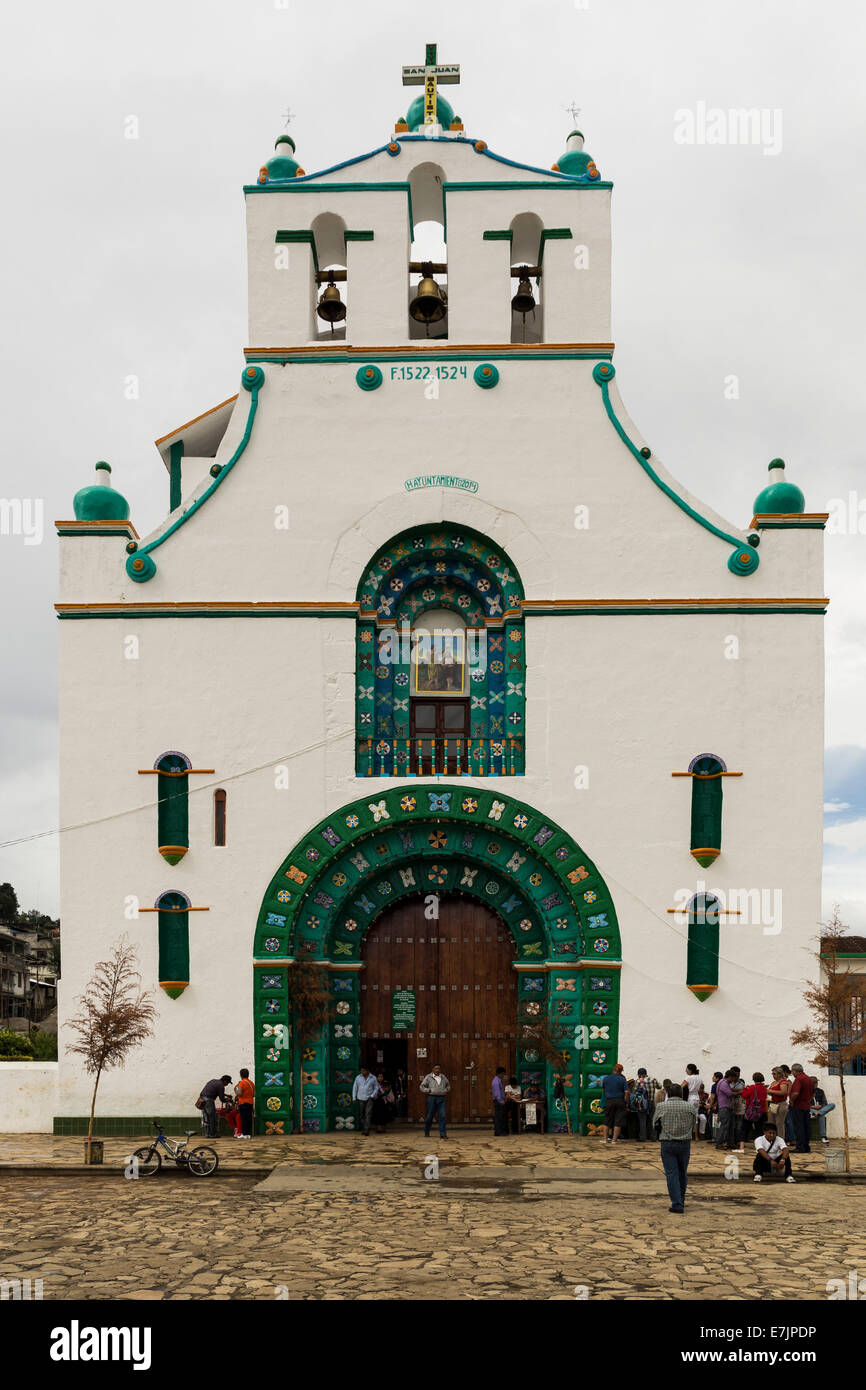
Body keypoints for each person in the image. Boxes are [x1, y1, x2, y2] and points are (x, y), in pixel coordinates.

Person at [653, 1082, 695, 1213]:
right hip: (685, 1143)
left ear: (668, 1093)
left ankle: (677, 1203)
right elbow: (694, 1124)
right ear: (681, 1094)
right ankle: (681, 1199)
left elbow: (654, 1124)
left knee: (672, 1173)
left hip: (667, 1142)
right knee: (682, 1173)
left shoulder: (661, 1106)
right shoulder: (690, 1107)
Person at [788, 1064, 815, 1153]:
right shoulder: (809, 1079)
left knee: (799, 1127)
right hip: (806, 1106)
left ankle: (800, 1146)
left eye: (792, 1072)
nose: (792, 1073)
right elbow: (813, 1093)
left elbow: (795, 1093)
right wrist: (808, 1100)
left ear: (795, 1071)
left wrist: (791, 1101)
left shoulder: (799, 1079)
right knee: (806, 1126)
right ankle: (806, 1146)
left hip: (798, 1105)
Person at [420, 1064, 450, 1139]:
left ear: (440, 1070)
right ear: (433, 1069)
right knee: (429, 1116)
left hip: (441, 1098)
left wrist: (445, 1090)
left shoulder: (443, 1077)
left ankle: (443, 1134)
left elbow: (448, 1086)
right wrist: (428, 1090)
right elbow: (421, 1086)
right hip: (431, 1098)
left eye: (438, 1068)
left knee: (442, 1116)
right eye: (435, 1068)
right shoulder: (428, 1077)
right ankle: (427, 1131)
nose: (437, 1070)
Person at [601, 1063, 629, 1144]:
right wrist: (626, 1102)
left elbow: (603, 1090)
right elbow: (627, 1092)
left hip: (609, 1100)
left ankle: (605, 1139)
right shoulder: (622, 1079)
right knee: (618, 1120)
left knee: (607, 1120)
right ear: (620, 1071)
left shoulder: (606, 1078)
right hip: (620, 1101)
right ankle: (614, 1140)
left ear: (613, 1070)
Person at [199, 1075, 232, 1139]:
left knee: (206, 1117)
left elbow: (216, 1091)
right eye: (227, 1083)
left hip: (202, 1098)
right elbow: (222, 1099)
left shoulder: (213, 1081)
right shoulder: (221, 1086)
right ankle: (212, 1134)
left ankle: (207, 1133)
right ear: (225, 1081)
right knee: (212, 1117)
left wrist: (226, 1095)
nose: (227, 1085)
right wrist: (229, 1100)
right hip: (208, 1100)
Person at [352, 1065, 378, 1136]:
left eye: (363, 1070)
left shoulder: (373, 1078)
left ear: (367, 1071)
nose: (362, 1072)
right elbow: (355, 1088)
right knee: (361, 1115)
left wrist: (372, 1095)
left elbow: (376, 1087)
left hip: (369, 1098)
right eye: (361, 1070)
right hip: (360, 1098)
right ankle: (363, 1128)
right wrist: (354, 1098)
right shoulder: (358, 1077)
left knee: (368, 1114)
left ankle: (366, 1130)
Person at [742, 1071, 768, 1144]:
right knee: (759, 1129)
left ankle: (742, 1143)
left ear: (754, 1079)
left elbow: (744, 1096)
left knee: (745, 1127)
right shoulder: (764, 1088)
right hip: (762, 1110)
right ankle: (760, 1144)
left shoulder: (753, 1087)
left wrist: (745, 1089)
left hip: (752, 1110)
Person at [629, 1068, 654, 1142]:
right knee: (652, 1120)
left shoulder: (638, 1081)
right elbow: (659, 1086)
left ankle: (643, 1137)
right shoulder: (653, 1080)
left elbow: (634, 1091)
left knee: (642, 1120)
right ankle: (653, 1137)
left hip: (642, 1103)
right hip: (651, 1102)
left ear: (639, 1074)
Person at [810, 1079, 835, 1144]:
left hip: (819, 1110)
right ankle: (823, 1137)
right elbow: (804, 1103)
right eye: (814, 1082)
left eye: (816, 1082)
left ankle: (818, 1113)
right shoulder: (806, 1091)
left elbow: (825, 1103)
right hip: (810, 1110)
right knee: (822, 1116)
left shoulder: (820, 1091)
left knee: (832, 1105)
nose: (816, 1084)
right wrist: (813, 1107)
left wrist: (820, 1107)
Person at [767, 1067, 790, 1137]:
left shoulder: (783, 1082)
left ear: (779, 1074)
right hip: (773, 1103)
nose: (773, 1075)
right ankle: (771, 1138)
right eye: (772, 1074)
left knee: (779, 1123)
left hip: (781, 1103)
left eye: (774, 1074)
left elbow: (783, 1092)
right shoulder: (773, 1082)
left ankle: (780, 1140)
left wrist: (770, 1091)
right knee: (771, 1122)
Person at [714, 1070, 734, 1150]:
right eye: (733, 1078)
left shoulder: (721, 1081)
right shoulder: (724, 1084)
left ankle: (724, 1142)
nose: (733, 1080)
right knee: (724, 1126)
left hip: (723, 1106)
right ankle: (719, 1143)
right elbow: (730, 1094)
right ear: (730, 1077)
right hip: (724, 1107)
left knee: (725, 1125)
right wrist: (739, 1092)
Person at [728, 1067, 746, 1153]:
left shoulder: (741, 1082)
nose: (737, 1077)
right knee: (731, 1125)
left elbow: (742, 1091)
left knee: (739, 1125)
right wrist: (737, 1091)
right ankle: (731, 1141)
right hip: (730, 1105)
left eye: (738, 1075)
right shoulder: (727, 1082)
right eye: (735, 1075)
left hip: (739, 1106)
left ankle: (738, 1141)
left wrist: (733, 1091)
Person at [683, 1063, 703, 1136]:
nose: (686, 1071)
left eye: (687, 1069)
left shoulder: (688, 1078)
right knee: (696, 1117)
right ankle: (696, 1136)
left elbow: (681, 1087)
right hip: (696, 1097)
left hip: (690, 1097)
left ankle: (688, 1134)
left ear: (690, 1070)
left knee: (688, 1116)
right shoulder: (699, 1078)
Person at [236, 1068, 255, 1138]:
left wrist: (236, 1090)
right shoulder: (251, 1083)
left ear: (241, 1075)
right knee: (249, 1118)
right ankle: (248, 1134)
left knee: (243, 1118)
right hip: (250, 1102)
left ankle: (244, 1134)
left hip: (243, 1103)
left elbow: (240, 1093)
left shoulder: (242, 1083)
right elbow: (254, 1094)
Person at [492, 1067, 508, 1136]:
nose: (503, 1076)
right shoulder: (496, 1082)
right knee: (499, 1117)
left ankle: (501, 1131)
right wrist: (502, 1101)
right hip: (499, 1101)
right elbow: (497, 1094)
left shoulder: (499, 1080)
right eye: (503, 1074)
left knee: (501, 1117)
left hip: (501, 1101)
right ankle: (498, 1132)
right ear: (500, 1073)